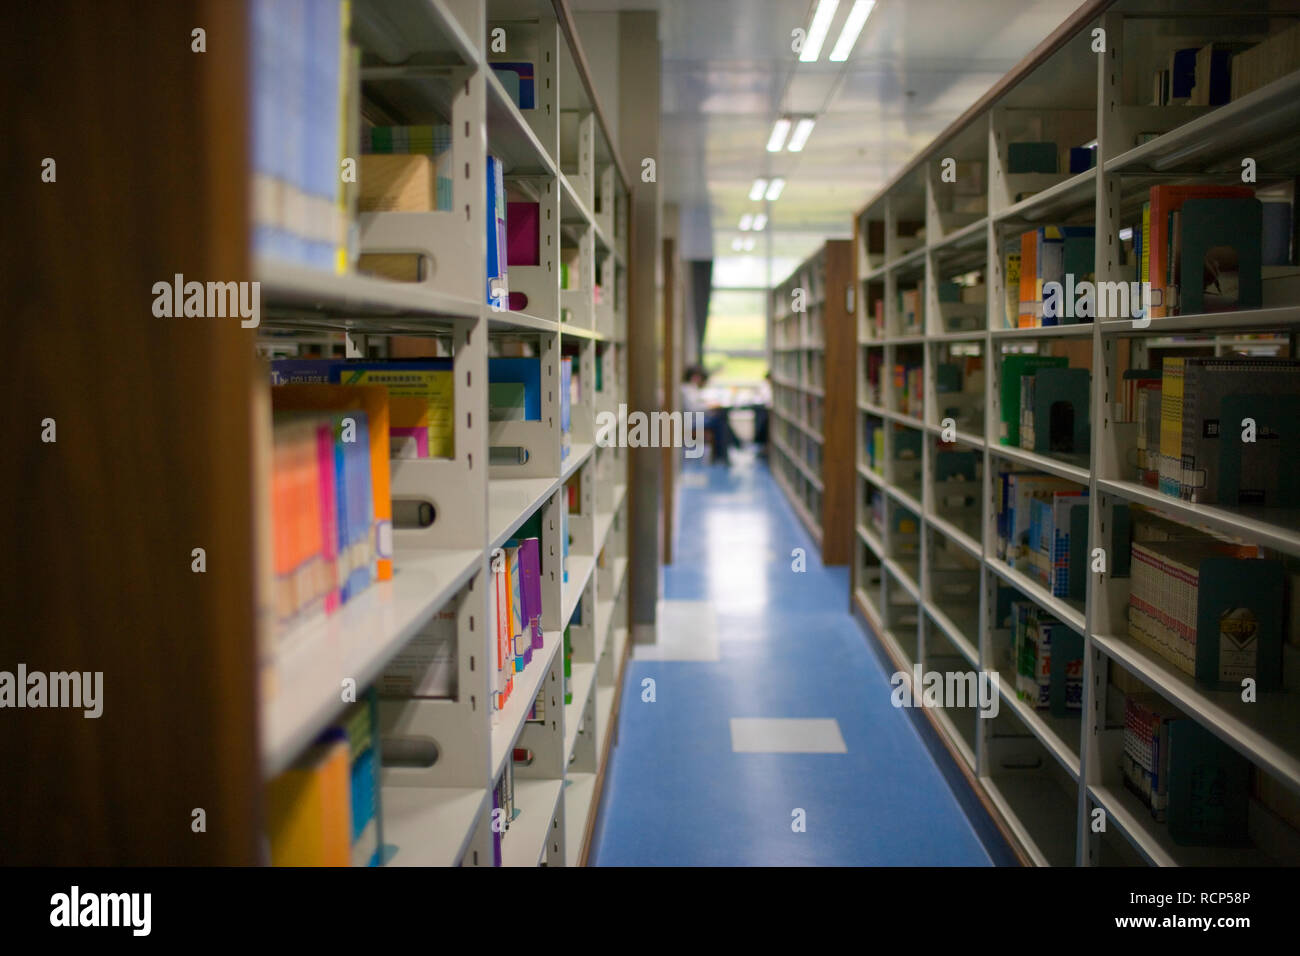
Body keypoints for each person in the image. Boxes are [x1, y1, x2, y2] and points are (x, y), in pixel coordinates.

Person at [681, 365, 737, 464]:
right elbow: (692, 409)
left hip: (694, 418)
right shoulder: (686, 390)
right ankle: (729, 449)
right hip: (690, 421)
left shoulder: (690, 389)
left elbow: (697, 403)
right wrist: (709, 407)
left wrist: (708, 405)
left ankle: (724, 451)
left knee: (721, 419)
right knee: (720, 421)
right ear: (695, 377)